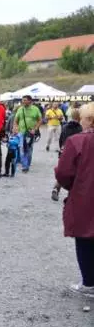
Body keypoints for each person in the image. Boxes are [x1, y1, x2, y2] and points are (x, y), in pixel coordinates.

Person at [54, 102, 94, 299]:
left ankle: (89, 283)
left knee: (85, 237)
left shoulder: (77, 141)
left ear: (88, 120)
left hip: (85, 196)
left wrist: (73, 186)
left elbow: (63, 173)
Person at [52, 108, 82, 202]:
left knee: (64, 172)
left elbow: (61, 140)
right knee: (75, 174)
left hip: (64, 151)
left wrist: (61, 149)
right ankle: (71, 194)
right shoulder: (80, 128)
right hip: (76, 153)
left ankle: (56, 188)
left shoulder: (65, 126)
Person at [12, 96, 42, 173]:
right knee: (22, 149)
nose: (23, 102)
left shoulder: (35, 109)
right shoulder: (20, 109)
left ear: (30, 101)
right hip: (21, 133)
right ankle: (25, 166)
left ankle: (27, 164)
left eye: (25, 100)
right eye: (22, 100)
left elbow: (40, 120)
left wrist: (35, 129)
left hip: (30, 133)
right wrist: (15, 128)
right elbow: (16, 120)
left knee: (29, 149)